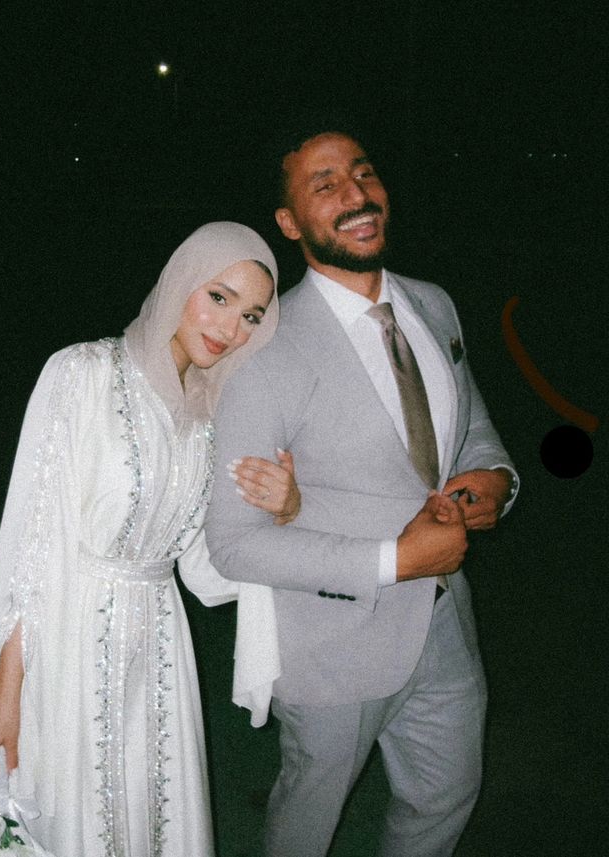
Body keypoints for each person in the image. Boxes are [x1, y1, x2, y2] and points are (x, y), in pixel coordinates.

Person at [204, 128, 519, 857]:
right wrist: (393, 560)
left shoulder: (434, 305)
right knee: (306, 824)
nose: (354, 194)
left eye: (363, 173)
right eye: (324, 185)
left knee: (444, 800)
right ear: (289, 224)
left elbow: (470, 430)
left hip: (446, 626)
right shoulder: (267, 352)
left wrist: (494, 480)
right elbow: (234, 541)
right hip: (332, 644)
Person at [0, 222, 301, 857]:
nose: (229, 329)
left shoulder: (212, 420)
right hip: (64, 643)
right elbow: (34, 542)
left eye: (250, 316)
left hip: (160, 651)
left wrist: (282, 514)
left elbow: (205, 570)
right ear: (181, 282)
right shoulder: (83, 373)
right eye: (217, 297)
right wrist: (6, 689)